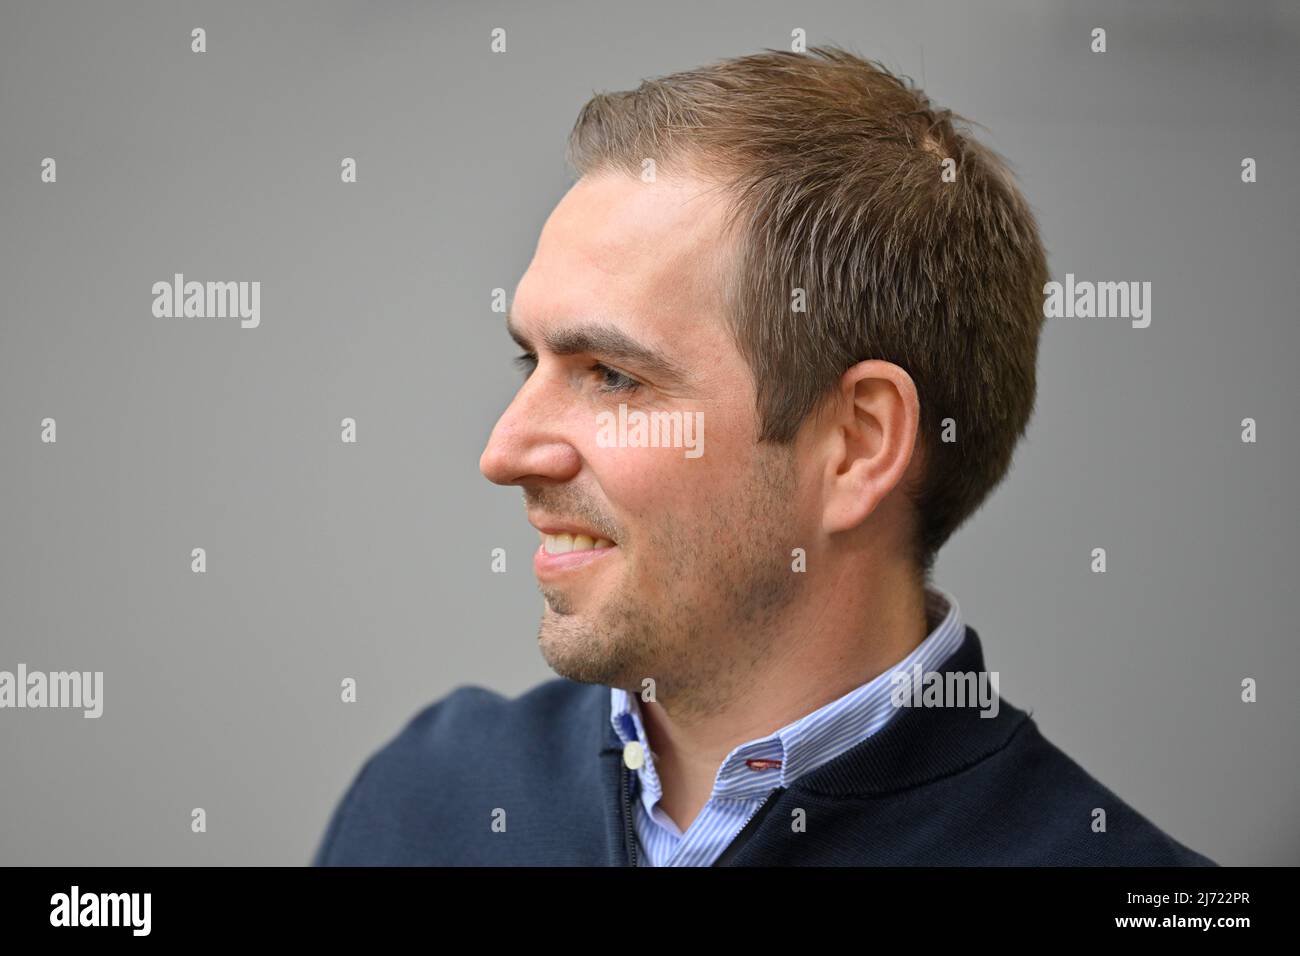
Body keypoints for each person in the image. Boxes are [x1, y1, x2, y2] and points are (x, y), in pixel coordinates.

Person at [313, 46, 1214, 866]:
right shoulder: (425, 803)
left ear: (858, 445)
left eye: (614, 377)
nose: (504, 451)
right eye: (531, 359)